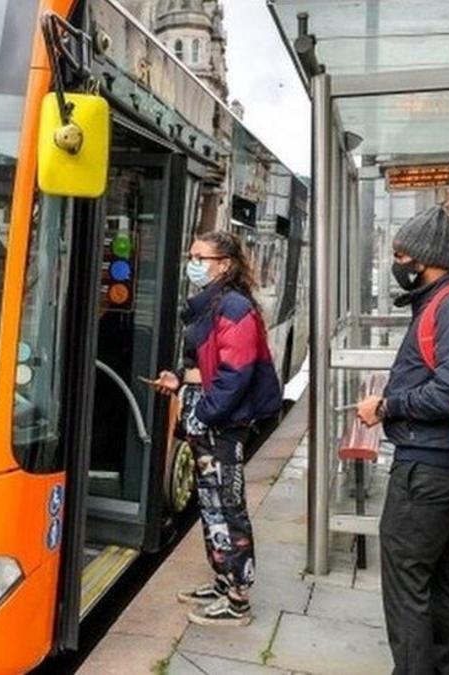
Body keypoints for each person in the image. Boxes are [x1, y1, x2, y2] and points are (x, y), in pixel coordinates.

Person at [355, 207, 449, 675]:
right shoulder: (444, 301)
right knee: (446, 575)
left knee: (406, 576)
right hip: (441, 462)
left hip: (430, 467)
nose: (396, 262)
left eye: (400, 254)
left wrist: (387, 407)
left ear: (423, 259)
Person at [150, 230, 282, 627]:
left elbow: (234, 375)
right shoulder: (215, 304)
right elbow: (206, 367)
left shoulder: (235, 308)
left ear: (224, 265)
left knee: (228, 507)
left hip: (222, 427)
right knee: (210, 506)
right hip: (209, 422)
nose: (194, 264)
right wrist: (178, 379)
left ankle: (238, 599)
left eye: (200, 257)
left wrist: (203, 414)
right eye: (192, 255)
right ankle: (224, 580)